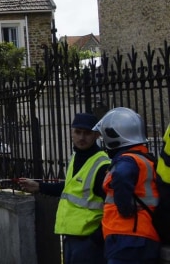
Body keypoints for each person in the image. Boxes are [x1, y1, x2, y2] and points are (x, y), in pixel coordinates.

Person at [17, 113, 109, 264]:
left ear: (97, 135)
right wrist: (39, 186)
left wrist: (96, 238)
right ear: (71, 132)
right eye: (78, 132)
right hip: (71, 238)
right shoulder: (75, 157)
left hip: (89, 242)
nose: (82, 137)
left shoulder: (102, 165)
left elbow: (112, 207)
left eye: (87, 133)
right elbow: (69, 188)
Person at [93, 107, 160, 264]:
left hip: (127, 237)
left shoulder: (126, 160)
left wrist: (124, 208)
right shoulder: (144, 158)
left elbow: (122, 176)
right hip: (143, 236)